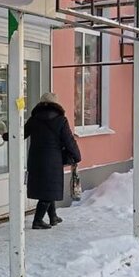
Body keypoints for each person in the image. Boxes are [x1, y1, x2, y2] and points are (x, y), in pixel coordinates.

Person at [24, 91, 81, 229]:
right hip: (53, 160)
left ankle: (53, 217)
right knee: (49, 189)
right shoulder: (61, 120)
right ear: (56, 104)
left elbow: (22, 133)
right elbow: (69, 141)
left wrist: (6, 136)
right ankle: (37, 220)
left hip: (36, 159)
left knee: (48, 188)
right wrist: (77, 155)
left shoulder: (34, 119)